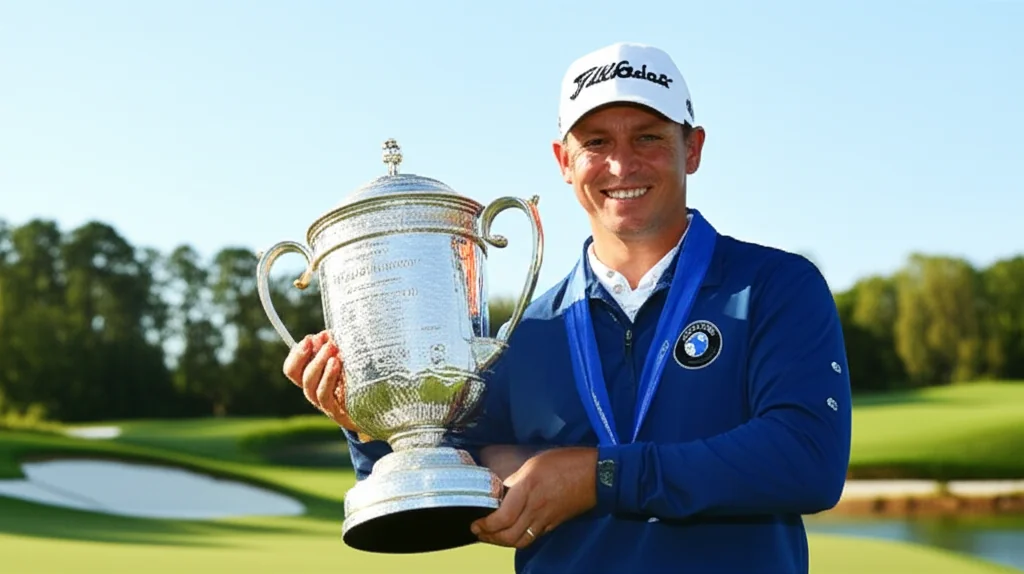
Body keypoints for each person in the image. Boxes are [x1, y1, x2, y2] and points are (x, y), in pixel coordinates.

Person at [283, 41, 853, 574]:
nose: (621, 164)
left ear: (693, 147)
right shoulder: (526, 334)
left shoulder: (775, 286)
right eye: (596, 142)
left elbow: (805, 460)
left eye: (649, 137)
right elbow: (441, 499)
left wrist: (594, 476)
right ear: (563, 160)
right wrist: (365, 420)